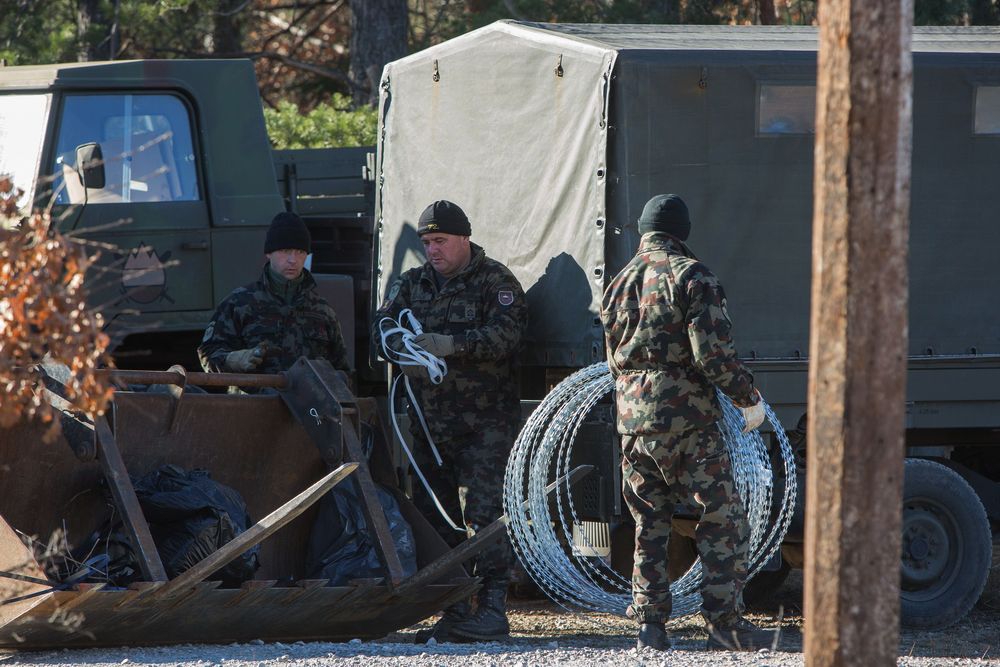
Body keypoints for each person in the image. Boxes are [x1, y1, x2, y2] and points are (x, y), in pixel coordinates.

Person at [600, 194, 772, 652]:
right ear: (683, 231)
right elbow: (712, 356)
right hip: (689, 422)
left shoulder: (618, 282)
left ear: (644, 230)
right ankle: (724, 624)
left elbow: (612, 360)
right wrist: (747, 397)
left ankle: (650, 627)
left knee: (649, 522)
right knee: (722, 518)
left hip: (633, 422)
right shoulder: (693, 275)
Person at [372, 200, 527, 642]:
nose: (432, 250)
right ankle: (456, 608)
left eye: (440, 241)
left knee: (484, 517)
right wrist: (400, 345)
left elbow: (507, 335)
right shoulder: (412, 283)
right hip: (431, 427)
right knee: (435, 521)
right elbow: (383, 325)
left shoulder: (494, 281)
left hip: (485, 427)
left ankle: (492, 610)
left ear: (464, 238)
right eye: (425, 242)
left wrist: (449, 345)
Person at [198, 211, 350, 378]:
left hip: (307, 403)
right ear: (269, 253)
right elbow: (208, 354)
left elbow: (341, 371)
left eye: (300, 252)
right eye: (285, 251)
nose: (293, 260)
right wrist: (232, 360)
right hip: (254, 402)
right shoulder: (239, 304)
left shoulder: (322, 310)